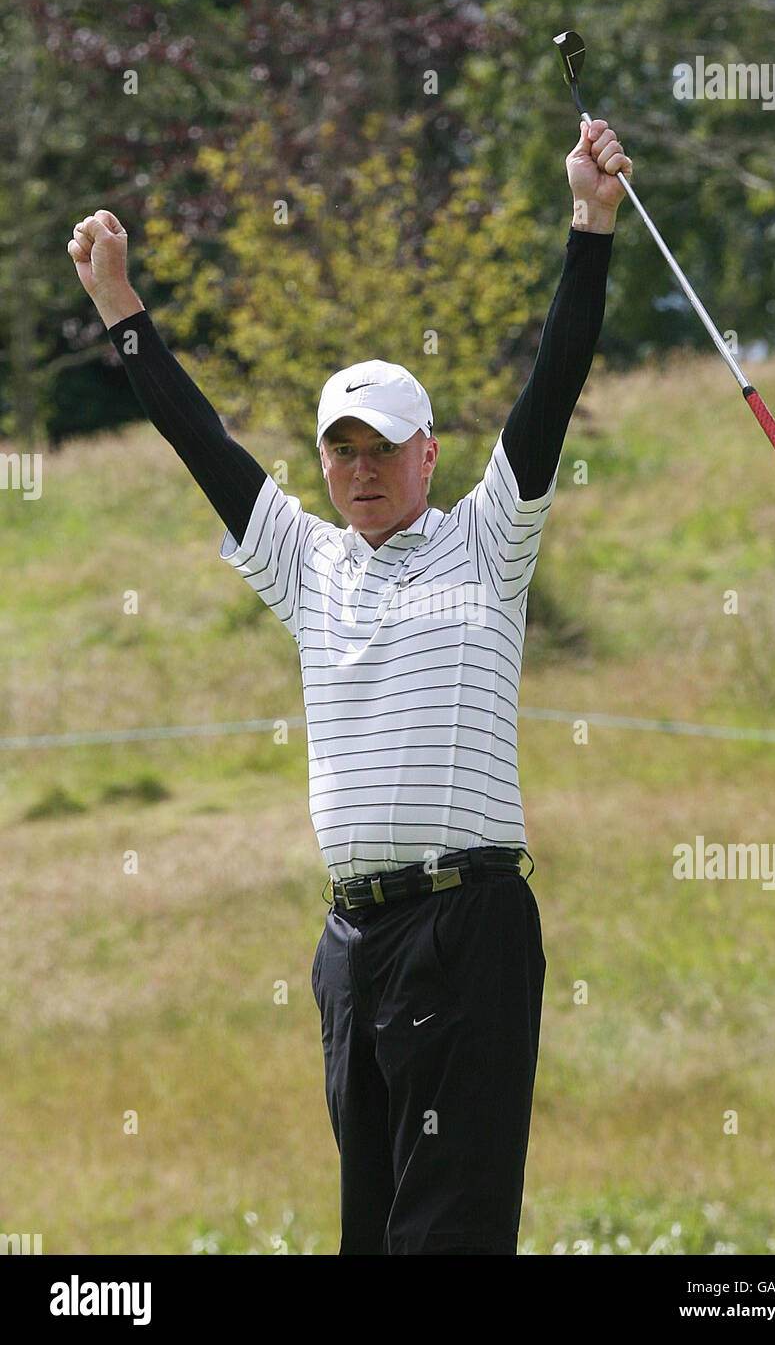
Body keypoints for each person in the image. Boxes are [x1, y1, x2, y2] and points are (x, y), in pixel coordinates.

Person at [67, 118, 632, 1255]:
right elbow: (201, 441)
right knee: (370, 1235)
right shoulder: (304, 559)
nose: (360, 470)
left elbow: (554, 382)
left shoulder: (489, 538)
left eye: (382, 448)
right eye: (341, 449)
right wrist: (122, 310)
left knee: (448, 1232)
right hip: (351, 947)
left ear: (430, 453)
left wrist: (591, 222)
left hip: (467, 924)